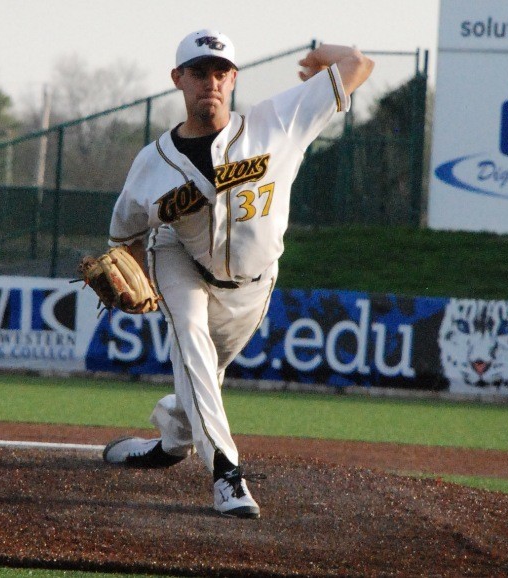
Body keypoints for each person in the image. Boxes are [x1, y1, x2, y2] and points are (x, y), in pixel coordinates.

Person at [100, 29, 374, 519]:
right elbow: (124, 234)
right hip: (179, 260)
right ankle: (227, 475)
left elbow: (357, 64)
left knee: (202, 374)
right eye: (200, 72)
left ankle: (169, 439)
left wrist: (318, 57)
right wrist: (133, 268)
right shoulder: (151, 163)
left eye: (220, 72)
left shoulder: (277, 123)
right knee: (189, 338)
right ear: (178, 79)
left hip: (253, 285)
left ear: (233, 79)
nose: (211, 81)